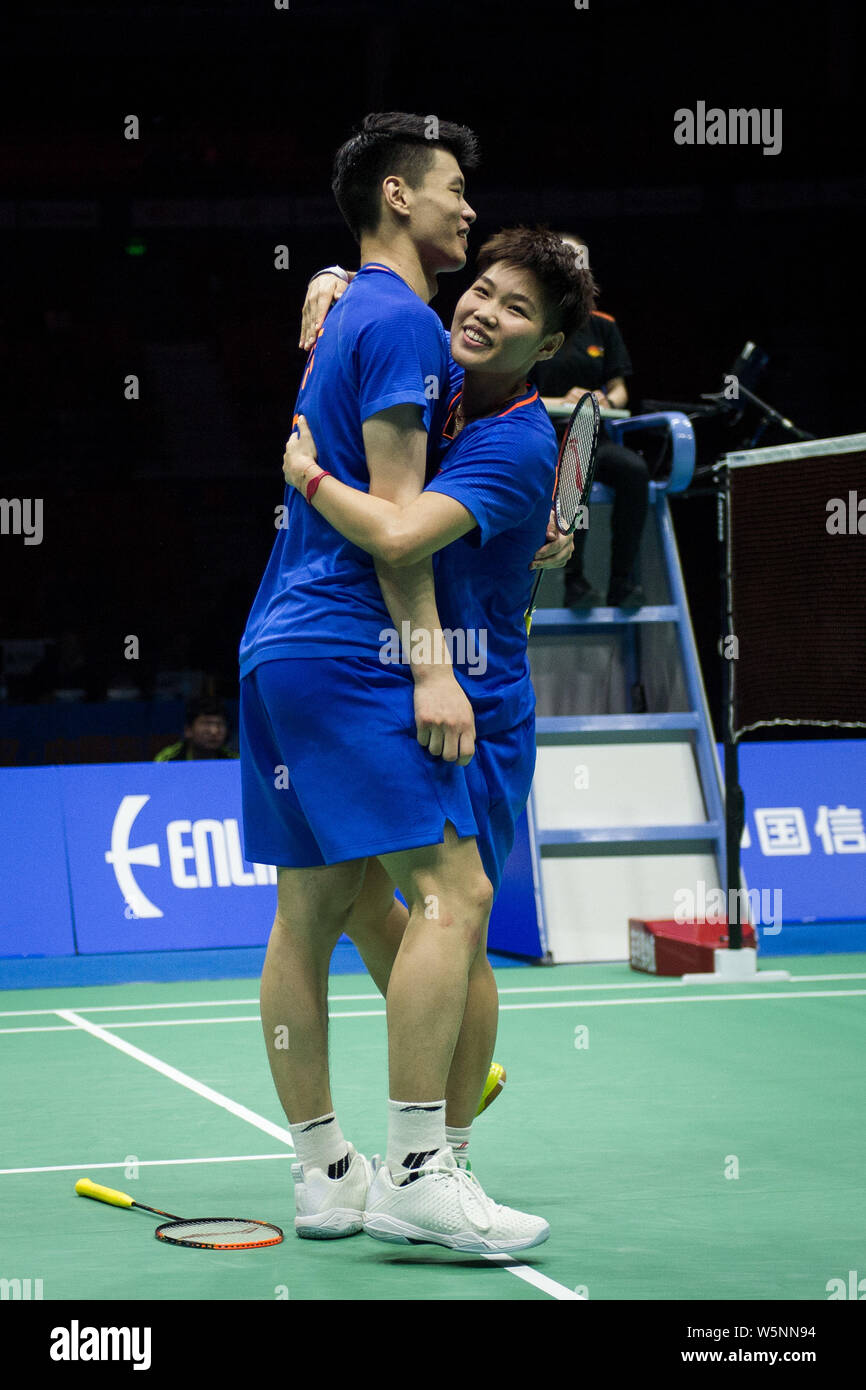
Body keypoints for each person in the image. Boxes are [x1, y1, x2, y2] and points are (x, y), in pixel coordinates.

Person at [239, 113, 565, 1253]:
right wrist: (431, 670)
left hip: (279, 639)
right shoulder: (405, 326)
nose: (464, 210)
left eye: (516, 306)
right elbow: (394, 531)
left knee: (315, 906)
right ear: (395, 196)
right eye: (451, 192)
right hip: (355, 643)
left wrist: (304, 461)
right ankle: (424, 1165)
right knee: (457, 898)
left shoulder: (367, 315)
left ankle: (326, 1171)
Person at [532, 233, 649, 609]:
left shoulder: (603, 326)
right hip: (546, 439)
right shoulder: (533, 322)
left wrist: (602, 399)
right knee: (576, 472)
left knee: (635, 471)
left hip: (594, 437)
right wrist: (563, 401)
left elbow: (620, 391)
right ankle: (576, 582)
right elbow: (515, 390)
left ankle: (622, 582)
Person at [154, 695, 236, 761]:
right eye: (206, 724)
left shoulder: (234, 761)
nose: (214, 731)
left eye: (220, 724)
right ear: (188, 730)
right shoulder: (168, 760)